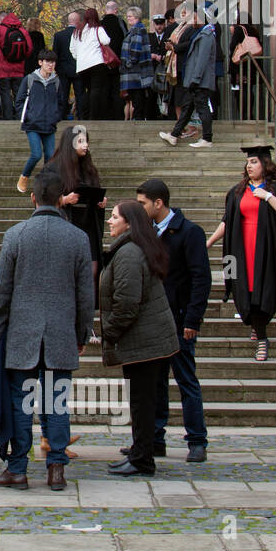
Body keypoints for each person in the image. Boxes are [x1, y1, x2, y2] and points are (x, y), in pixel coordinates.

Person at [0, 168, 94, 492]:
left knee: (21, 402)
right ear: (61, 199)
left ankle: (18, 468)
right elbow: (85, 295)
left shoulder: (16, 235)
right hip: (61, 332)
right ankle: (56, 468)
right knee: (56, 401)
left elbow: (2, 292)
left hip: (22, 332)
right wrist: (82, 333)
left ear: (33, 197)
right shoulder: (78, 238)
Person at [99, 200, 179, 476]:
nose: (109, 221)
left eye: (114, 217)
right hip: (146, 340)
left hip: (145, 341)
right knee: (141, 400)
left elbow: (127, 302)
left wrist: (109, 331)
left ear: (129, 224)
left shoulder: (129, 253)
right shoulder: (130, 248)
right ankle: (139, 451)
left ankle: (143, 458)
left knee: (142, 402)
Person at [136, 178, 211, 463]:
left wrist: (193, 318)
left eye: (143, 203)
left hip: (179, 321)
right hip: (153, 321)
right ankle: (154, 438)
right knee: (155, 383)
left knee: (186, 380)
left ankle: (197, 440)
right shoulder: (146, 233)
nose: (140, 208)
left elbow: (201, 279)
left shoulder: (189, 232)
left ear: (159, 203)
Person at [207, 145, 276, 362]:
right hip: (241, 251)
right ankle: (260, 331)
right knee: (246, 291)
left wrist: (267, 197)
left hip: (268, 250)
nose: (249, 166)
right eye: (248, 162)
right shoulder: (237, 192)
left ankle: (260, 335)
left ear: (265, 164)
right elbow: (227, 221)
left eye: (254, 161)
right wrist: (210, 242)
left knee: (267, 290)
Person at [47, 124, 107, 273]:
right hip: (66, 220)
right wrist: (64, 200)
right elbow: (43, 196)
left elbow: (96, 189)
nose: (85, 145)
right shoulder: (53, 167)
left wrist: (101, 202)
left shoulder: (89, 167)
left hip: (89, 221)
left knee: (93, 269)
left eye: (86, 141)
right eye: (80, 141)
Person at [159, 8, 217, 148]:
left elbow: (202, 60)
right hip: (196, 79)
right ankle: (174, 134)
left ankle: (207, 139)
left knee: (202, 108)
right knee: (187, 108)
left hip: (200, 80)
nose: (193, 20)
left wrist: (195, 79)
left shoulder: (206, 35)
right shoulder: (202, 33)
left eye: (196, 18)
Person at [14, 49, 60, 194]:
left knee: (50, 156)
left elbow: (61, 101)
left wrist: (55, 116)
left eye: (53, 62)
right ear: (40, 62)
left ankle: (45, 184)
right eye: (47, 62)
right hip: (32, 124)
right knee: (36, 154)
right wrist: (27, 116)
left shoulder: (56, 81)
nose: (50, 65)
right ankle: (24, 176)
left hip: (49, 125)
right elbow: (19, 100)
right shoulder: (30, 79)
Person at [69, 7, 112, 121]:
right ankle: (93, 116)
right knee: (96, 89)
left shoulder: (77, 31)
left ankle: (83, 114)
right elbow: (106, 41)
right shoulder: (98, 29)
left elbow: (72, 48)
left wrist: (79, 58)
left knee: (86, 90)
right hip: (96, 63)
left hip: (82, 66)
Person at [0, 12, 32, 120]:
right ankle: (20, 119)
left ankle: (8, 119)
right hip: (19, 69)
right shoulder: (22, 30)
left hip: (2, 70)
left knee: (5, 94)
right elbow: (29, 49)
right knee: (18, 94)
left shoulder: (0, 29)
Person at [120, 6, 157, 121]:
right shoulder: (138, 29)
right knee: (137, 96)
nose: (128, 18)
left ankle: (138, 118)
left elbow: (135, 50)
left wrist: (128, 64)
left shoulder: (137, 29)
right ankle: (138, 117)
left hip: (136, 70)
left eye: (130, 16)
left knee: (137, 96)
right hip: (136, 70)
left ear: (136, 16)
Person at [101, 1, 126, 119]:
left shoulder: (100, 25)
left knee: (104, 89)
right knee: (117, 91)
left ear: (106, 10)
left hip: (103, 63)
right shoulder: (121, 24)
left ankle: (106, 115)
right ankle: (118, 115)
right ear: (116, 10)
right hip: (118, 62)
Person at [52, 15, 77, 121]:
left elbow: (55, 53)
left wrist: (56, 68)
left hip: (63, 70)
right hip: (77, 69)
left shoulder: (59, 35)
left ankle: (61, 116)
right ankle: (81, 116)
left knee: (63, 94)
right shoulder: (80, 35)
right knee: (80, 94)